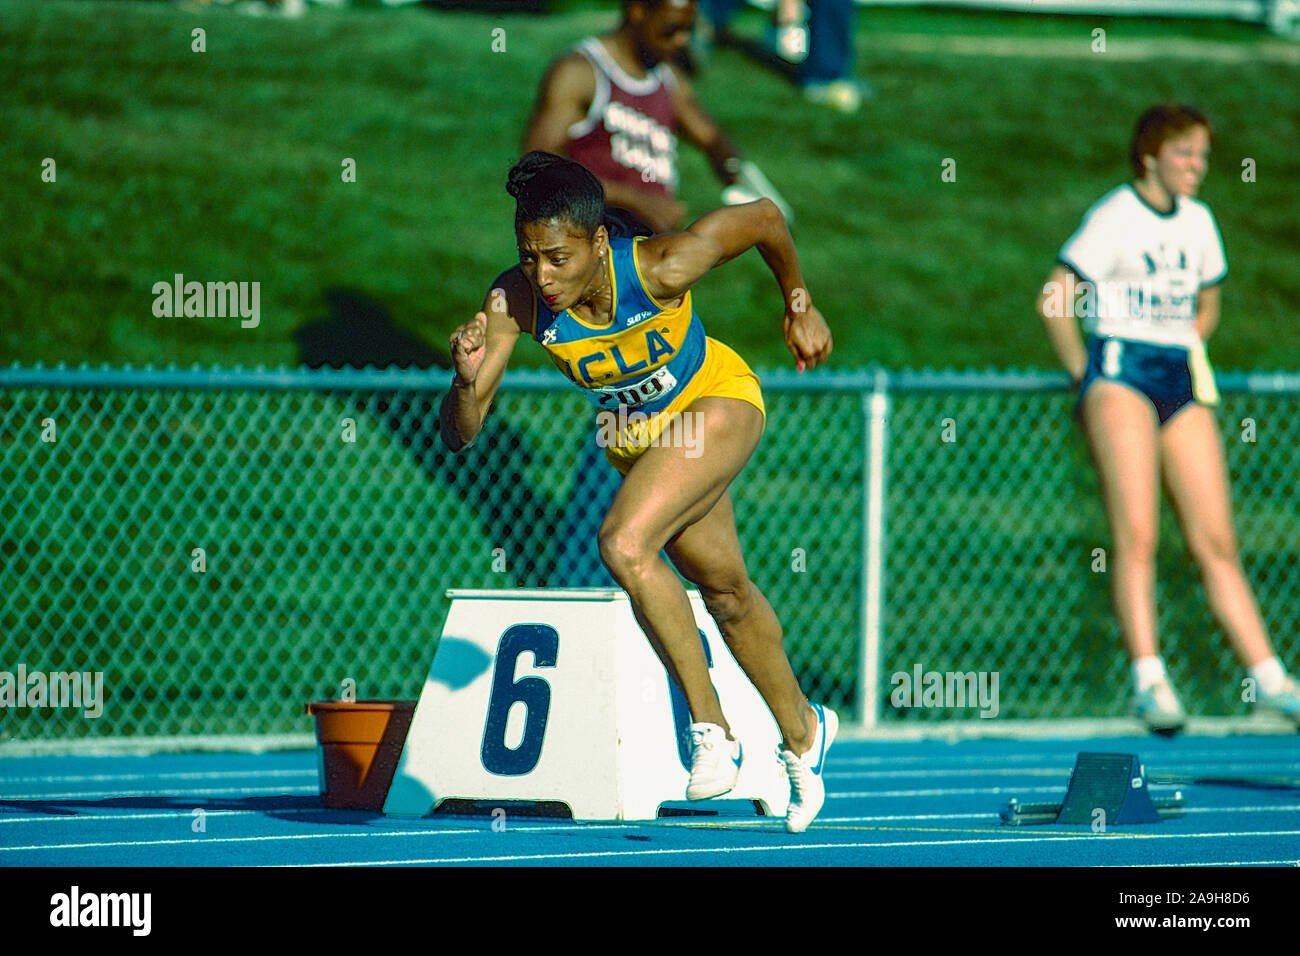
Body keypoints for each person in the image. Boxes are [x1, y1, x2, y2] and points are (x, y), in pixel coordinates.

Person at [440, 150, 836, 831]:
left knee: (624, 542)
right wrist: (465, 380)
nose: (544, 275)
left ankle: (711, 730)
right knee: (727, 592)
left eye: (559, 258)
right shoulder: (513, 303)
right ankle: (804, 729)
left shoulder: (660, 267)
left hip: (716, 400)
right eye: (530, 256)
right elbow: (460, 436)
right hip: (639, 444)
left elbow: (767, 219)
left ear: (599, 242)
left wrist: (800, 304)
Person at [1036, 103, 1300, 733]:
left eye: (1203, 155)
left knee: (1217, 539)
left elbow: (1208, 303)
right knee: (1139, 535)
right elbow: (1054, 298)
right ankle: (1149, 678)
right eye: (1184, 153)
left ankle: (1268, 677)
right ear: (1151, 155)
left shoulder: (1201, 221)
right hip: (1121, 370)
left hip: (1179, 377)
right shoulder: (1114, 216)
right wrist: (1085, 374)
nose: (1196, 166)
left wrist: (1188, 338)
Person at [522, 0, 748, 234]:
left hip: (650, 247)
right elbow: (535, 169)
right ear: (637, 11)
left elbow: (711, 137)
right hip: (597, 242)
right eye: (671, 29)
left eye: (686, 30)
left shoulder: (668, 78)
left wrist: (730, 161)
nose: (681, 41)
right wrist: (634, 200)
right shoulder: (580, 72)